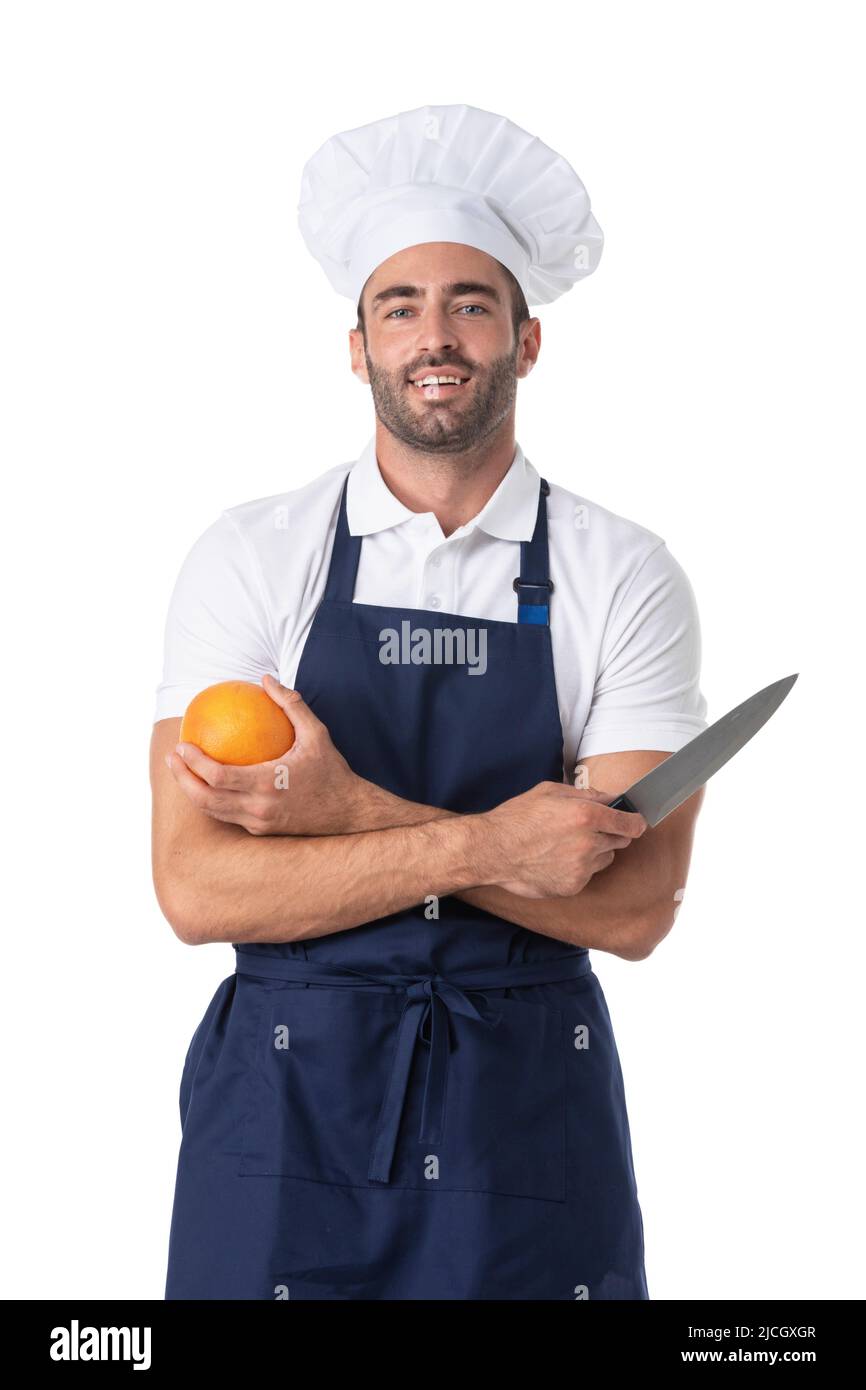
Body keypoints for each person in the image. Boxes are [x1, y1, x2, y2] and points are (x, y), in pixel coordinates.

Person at [150, 103, 708, 1301]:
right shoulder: (253, 557)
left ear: (526, 340)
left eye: (469, 302)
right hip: (285, 1107)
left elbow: (634, 905)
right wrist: (498, 843)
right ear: (355, 347)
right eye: (398, 306)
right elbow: (198, 887)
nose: (433, 334)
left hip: (525, 1112)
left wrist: (342, 812)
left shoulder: (622, 572)